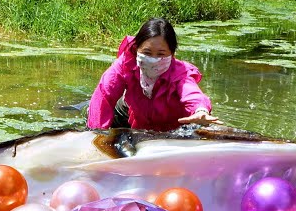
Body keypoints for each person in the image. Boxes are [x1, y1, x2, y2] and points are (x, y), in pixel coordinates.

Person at [87, 18, 220, 132]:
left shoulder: (181, 74)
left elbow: (192, 94)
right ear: (137, 49)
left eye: (161, 54)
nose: (153, 59)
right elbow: (104, 95)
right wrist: (96, 134)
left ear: (172, 54)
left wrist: (200, 110)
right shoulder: (126, 64)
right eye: (147, 52)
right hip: (138, 126)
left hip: (176, 132)